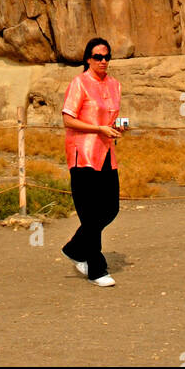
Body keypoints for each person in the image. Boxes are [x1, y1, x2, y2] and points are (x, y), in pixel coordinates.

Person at [60, 37, 126, 286]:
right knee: (89, 214)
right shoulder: (79, 83)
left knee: (110, 208)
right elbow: (68, 119)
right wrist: (98, 128)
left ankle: (76, 249)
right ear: (88, 59)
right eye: (98, 57)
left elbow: (112, 120)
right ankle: (96, 268)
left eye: (107, 56)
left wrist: (117, 128)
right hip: (83, 155)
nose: (103, 61)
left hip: (107, 153)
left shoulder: (115, 85)